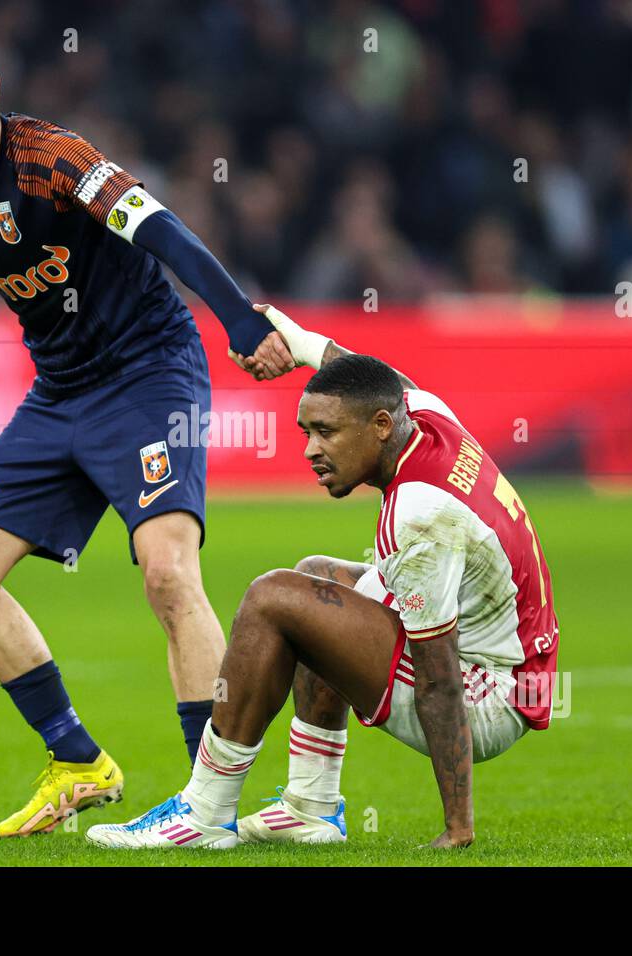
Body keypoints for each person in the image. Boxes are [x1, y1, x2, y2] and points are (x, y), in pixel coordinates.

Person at [0, 24, 295, 837]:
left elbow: (164, 230)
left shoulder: (54, 158)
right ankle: (78, 761)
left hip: (150, 373)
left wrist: (239, 322)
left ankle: (207, 801)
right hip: (61, 394)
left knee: (168, 573)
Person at [87, 307, 560, 849]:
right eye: (307, 431)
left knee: (273, 599)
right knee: (314, 580)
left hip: (488, 694)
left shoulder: (422, 513)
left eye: (327, 432)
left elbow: (438, 678)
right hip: (513, 662)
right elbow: (369, 373)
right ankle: (311, 807)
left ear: (381, 427)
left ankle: (204, 812)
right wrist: (297, 339)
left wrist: (458, 827)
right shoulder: (427, 418)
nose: (311, 450)